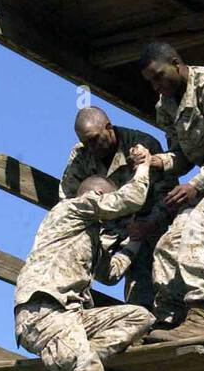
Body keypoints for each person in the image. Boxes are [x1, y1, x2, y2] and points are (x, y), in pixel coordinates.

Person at [13, 168, 155, 371]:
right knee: (88, 362)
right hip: (43, 312)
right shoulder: (69, 210)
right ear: (95, 198)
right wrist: (145, 168)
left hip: (73, 318)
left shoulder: (89, 234)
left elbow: (109, 273)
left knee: (140, 316)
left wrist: (134, 240)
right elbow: (131, 197)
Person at [134, 41, 204, 342]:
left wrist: (196, 184)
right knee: (168, 244)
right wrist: (156, 161)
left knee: (199, 233)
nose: (156, 86)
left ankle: (199, 316)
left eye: (158, 76)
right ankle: (170, 320)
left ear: (176, 63)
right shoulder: (165, 106)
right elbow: (181, 156)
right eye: (150, 82)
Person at [59, 105, 173, 309]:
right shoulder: (81, 156)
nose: (91, 147)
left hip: (146, 223)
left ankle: (156, 318)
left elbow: (166, 194)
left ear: (109, 127)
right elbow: (68, 202)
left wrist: (149, 225)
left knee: (151, 271)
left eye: (94, 139)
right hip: (106, 227)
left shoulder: (142, 145)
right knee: (76, 257)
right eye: (86, 143)